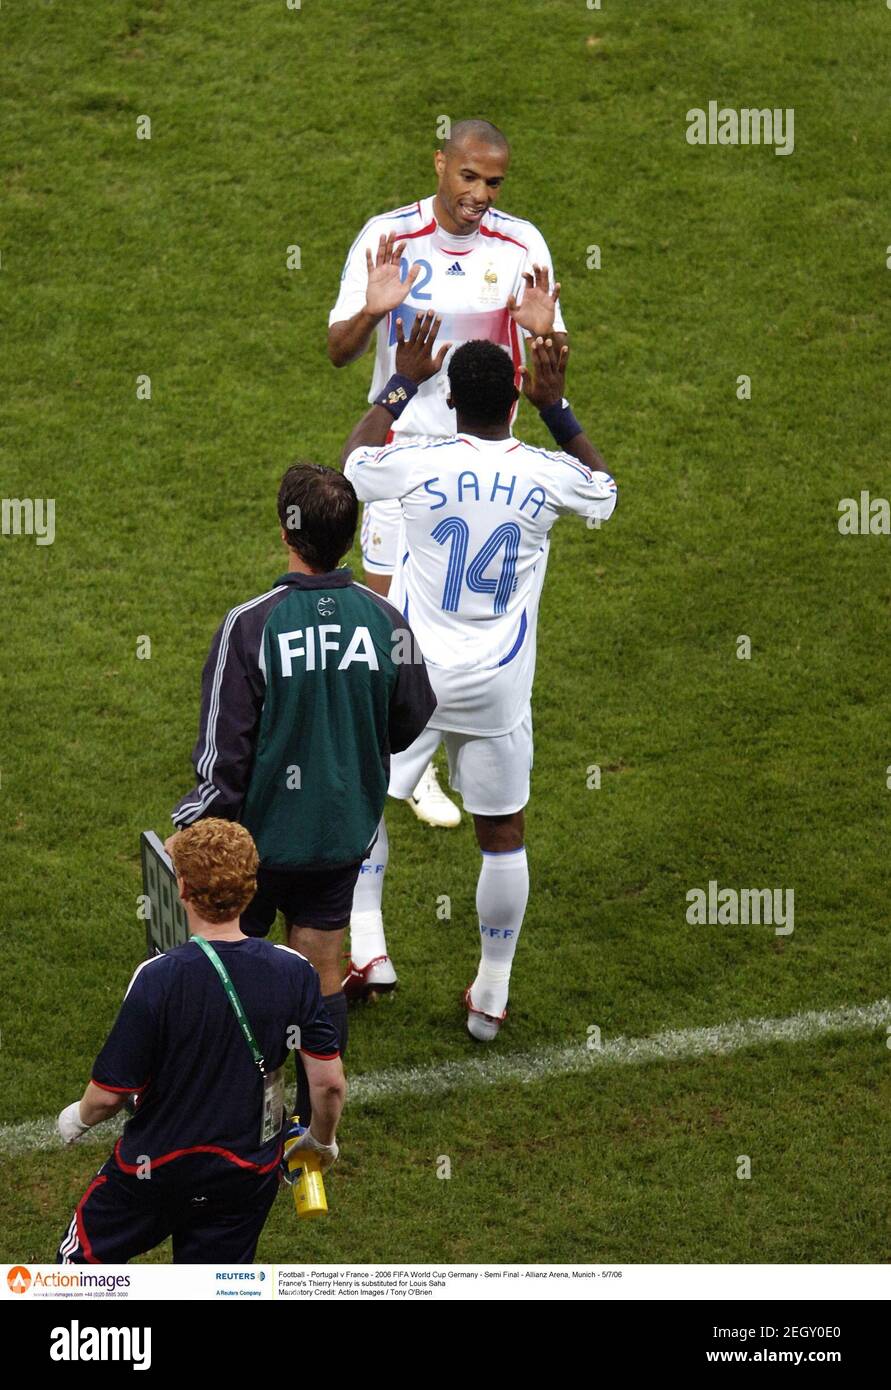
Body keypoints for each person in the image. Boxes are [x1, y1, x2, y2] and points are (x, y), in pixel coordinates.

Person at [342, 315, 618, 1039]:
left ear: (451, 399)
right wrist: (560, 408)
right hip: (496, 687)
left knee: (365, 803)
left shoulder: (420, 462)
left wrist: (400, 381)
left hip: (413, 676)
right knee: (502, 834)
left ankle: (369, 951)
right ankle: (490, 996)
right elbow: (605, 490)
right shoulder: (547, 475)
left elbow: (351, 465)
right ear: (516, 400)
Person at [170, 464, 436, 1112]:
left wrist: (192, 830)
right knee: (320, 973)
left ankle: (249, 1104)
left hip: (257, 843)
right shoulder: (386, 621)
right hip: (341, 836)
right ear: (348, 538)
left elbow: (222, 761)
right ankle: (321, 1123)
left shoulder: (250, 625)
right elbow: (412, 716)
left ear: (288, 531)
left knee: (237, 973)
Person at [328, 117, 566, 842]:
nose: (479, 195)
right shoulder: (388, 237)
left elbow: (547, 366)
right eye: (468, 177)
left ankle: (456, 746)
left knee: (469, 619)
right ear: (439, 164)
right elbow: (338, 350)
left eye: (493, 182)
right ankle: (404, 759)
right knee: (389, 630)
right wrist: (370, 313)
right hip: (399, 461)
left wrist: (544, 334)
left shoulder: (521, 245)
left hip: (482, 468)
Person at [56, 819, 345, 1264]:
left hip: (156, 1168)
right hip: (246, 1172)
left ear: (183, 889)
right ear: (250, 888)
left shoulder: (158, 977)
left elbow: (110, 1096)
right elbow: (328, 1084)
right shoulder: (295, 971)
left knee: (73, 1274)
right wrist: (320, 1142)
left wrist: (76, 1119)